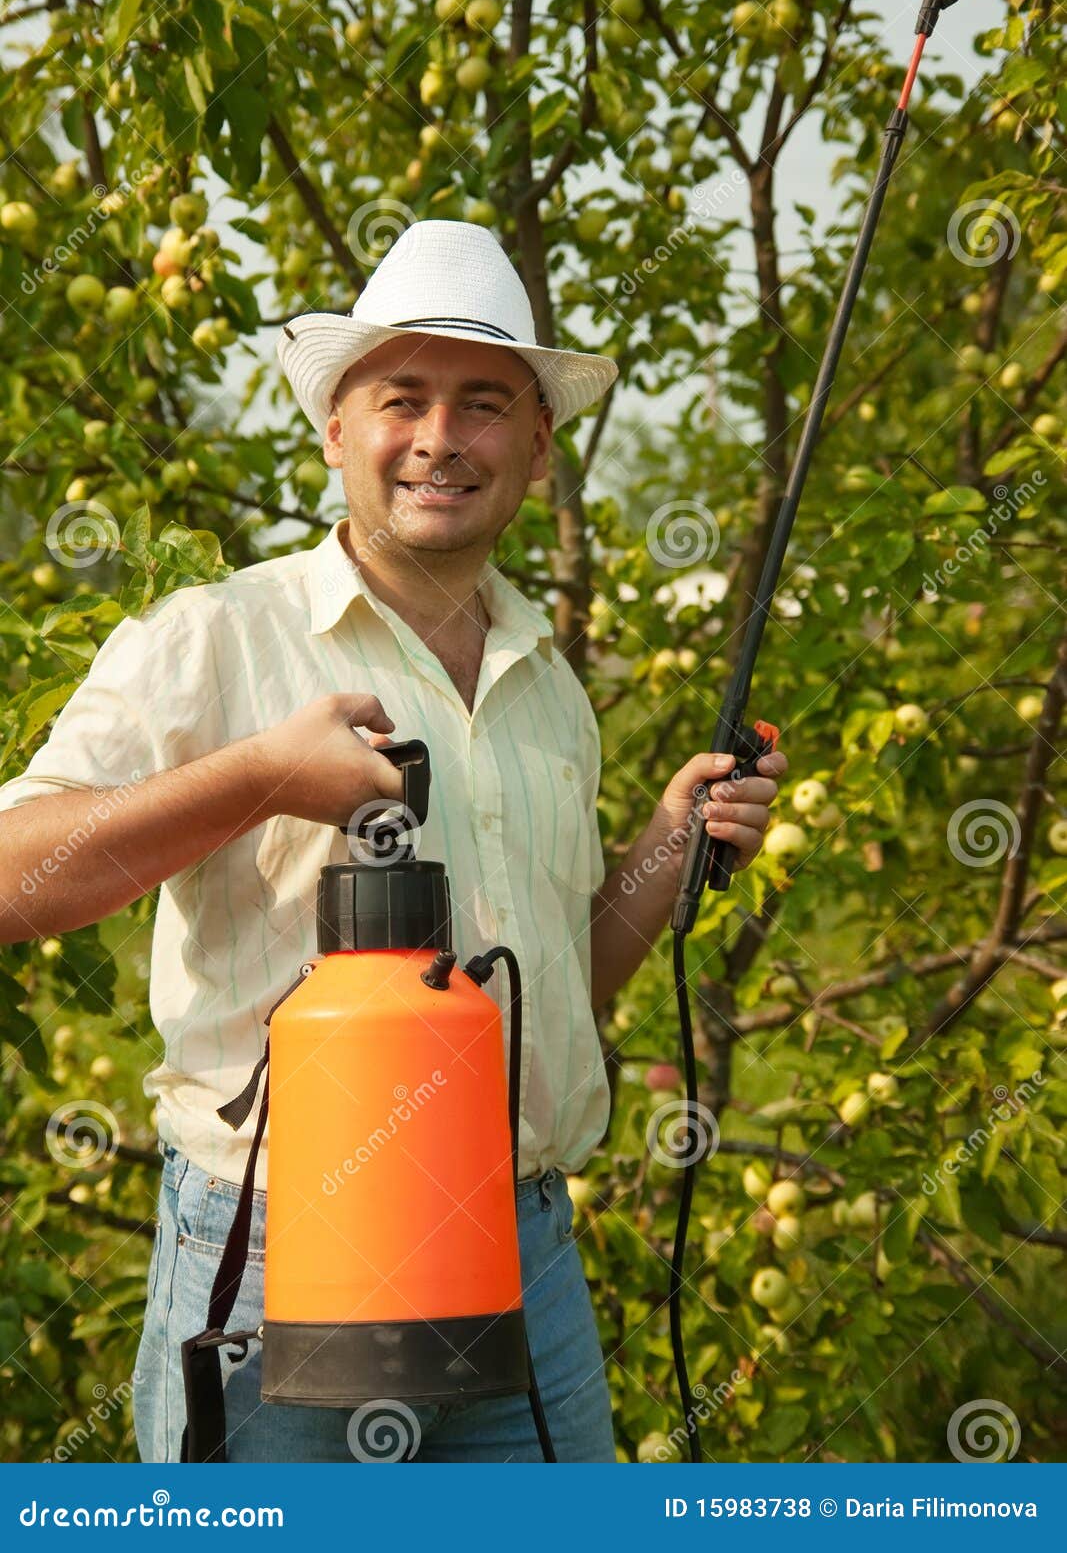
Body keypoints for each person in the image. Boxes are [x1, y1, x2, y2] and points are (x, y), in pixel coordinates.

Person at [0, 220, 787, 1462]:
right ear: (334, 427)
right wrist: (257, 775)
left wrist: (661, 848)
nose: (438, 439)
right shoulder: (220, 635)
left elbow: (546, 994)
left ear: (535, 443)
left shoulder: (549, 685)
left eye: (482, 404)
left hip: (518, 1249)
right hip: (278, 1248)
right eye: (399, 398)